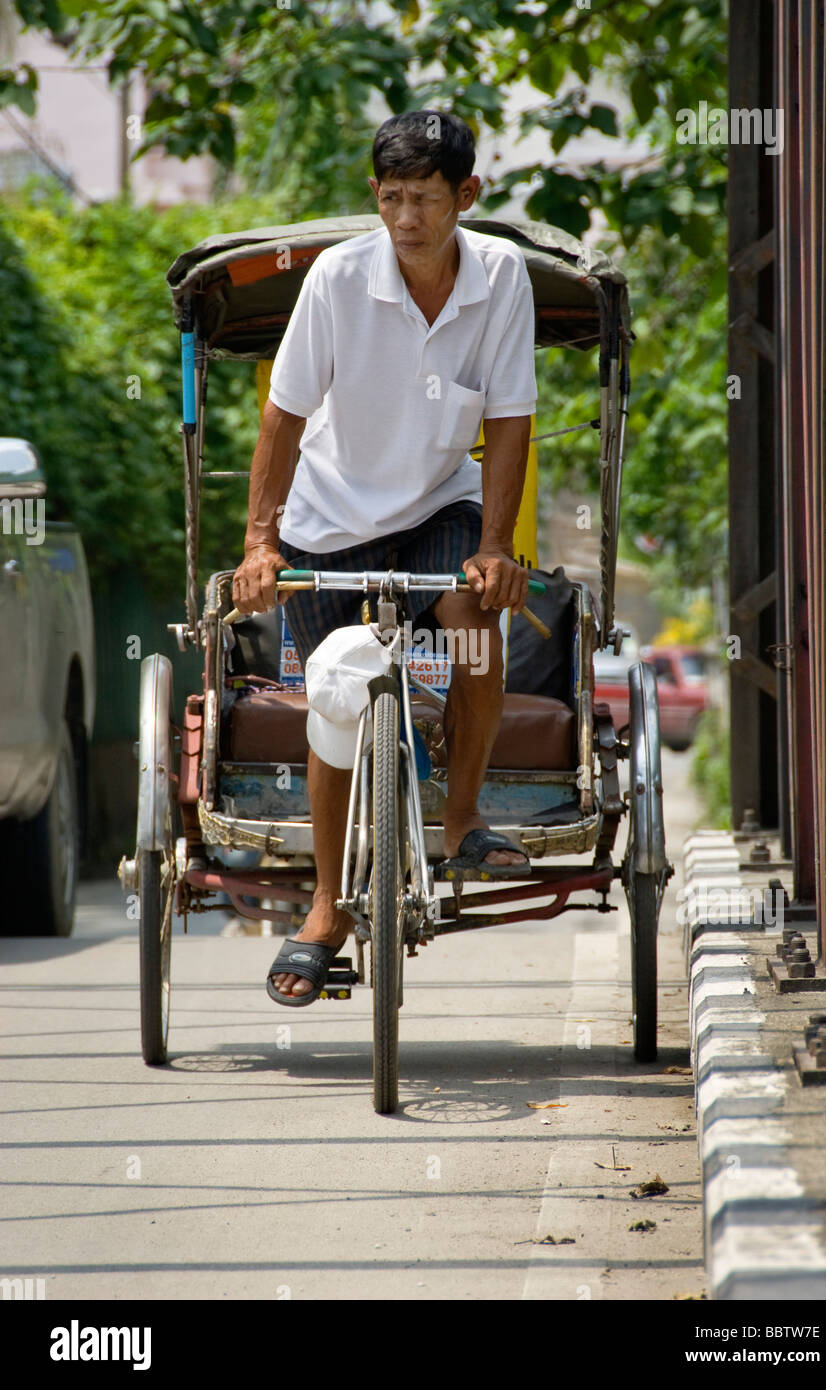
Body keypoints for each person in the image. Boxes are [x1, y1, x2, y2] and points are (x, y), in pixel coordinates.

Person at [231, 109, 538, 1005]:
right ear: (378, 196)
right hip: (328, 522)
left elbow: (509, 419)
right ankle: (326, 908)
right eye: (393, 198)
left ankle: (464, 819)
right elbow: (283, 417)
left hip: (440, 505)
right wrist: (260, 543)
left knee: (477, 620)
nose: (408, 218)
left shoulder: (501, 277)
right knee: (336, 687)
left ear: (466, 198)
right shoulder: (337, 279)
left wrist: (493, 549)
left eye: (427, 200)